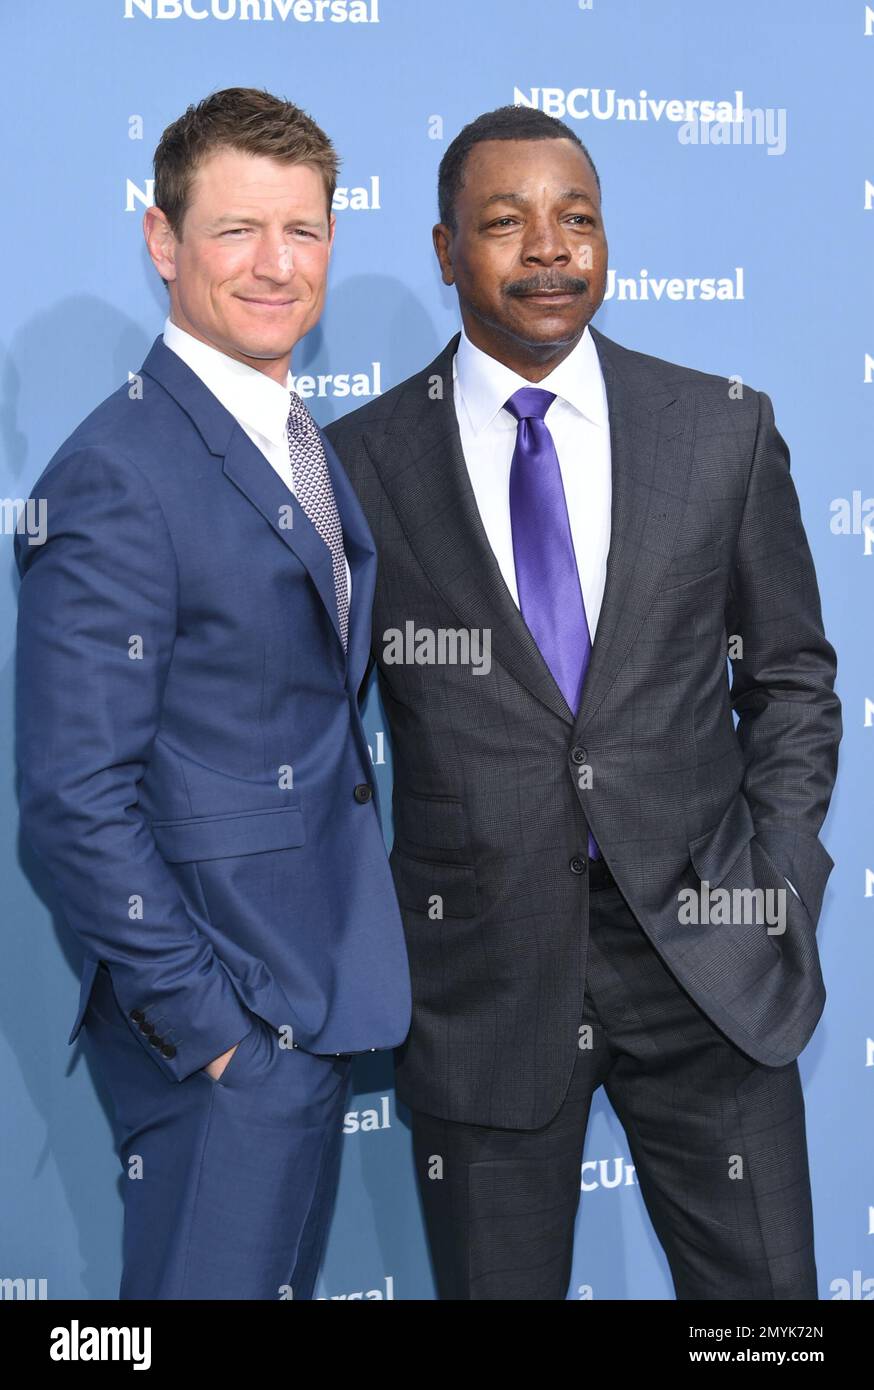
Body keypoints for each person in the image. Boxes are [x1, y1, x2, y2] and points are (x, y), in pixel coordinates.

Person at [325, 104, 841, 1300]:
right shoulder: (357, 464)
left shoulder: (718, 430)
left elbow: (789, 679)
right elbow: (315, 728)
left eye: (577, 220)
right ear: (448, 250)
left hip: (708, 968)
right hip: (483, 982)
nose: (549, 249)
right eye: (506, 224)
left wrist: (776, 881)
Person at [14, 86, 410, 1301]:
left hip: (305, 999)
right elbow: (72, 798)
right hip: (222, 1037)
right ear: (161, 239)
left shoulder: (292, 437)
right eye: (236, 229)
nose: (275, 265)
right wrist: (218, 1033)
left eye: (303, 230)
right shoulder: (119, 470)